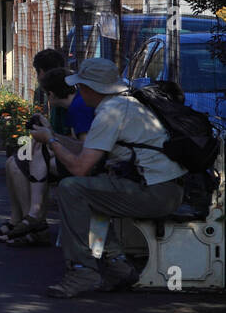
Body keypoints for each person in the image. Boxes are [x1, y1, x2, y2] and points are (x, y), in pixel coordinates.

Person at [31, 58, 186, 298]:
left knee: (72, 188)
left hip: (155, 192)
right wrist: (53, 136)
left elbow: (80, 168)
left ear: (93, 89)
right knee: (89, 190)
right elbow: (87, 152)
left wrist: (51, 141)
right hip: (163, 188)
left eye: (81, 86)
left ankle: (83, 270)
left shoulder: (110, 113)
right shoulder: (123, 104)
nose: (78, 91)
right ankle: (118, 265)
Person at [0, 66, 95, 246]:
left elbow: (84, 148)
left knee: (21, 162)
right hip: (78, 160)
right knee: (18, 160)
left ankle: (34, 218)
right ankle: (27, 218)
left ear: (51, 93)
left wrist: (50, 136)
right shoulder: (75, 105)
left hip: (88, 165)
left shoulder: (79, 107)